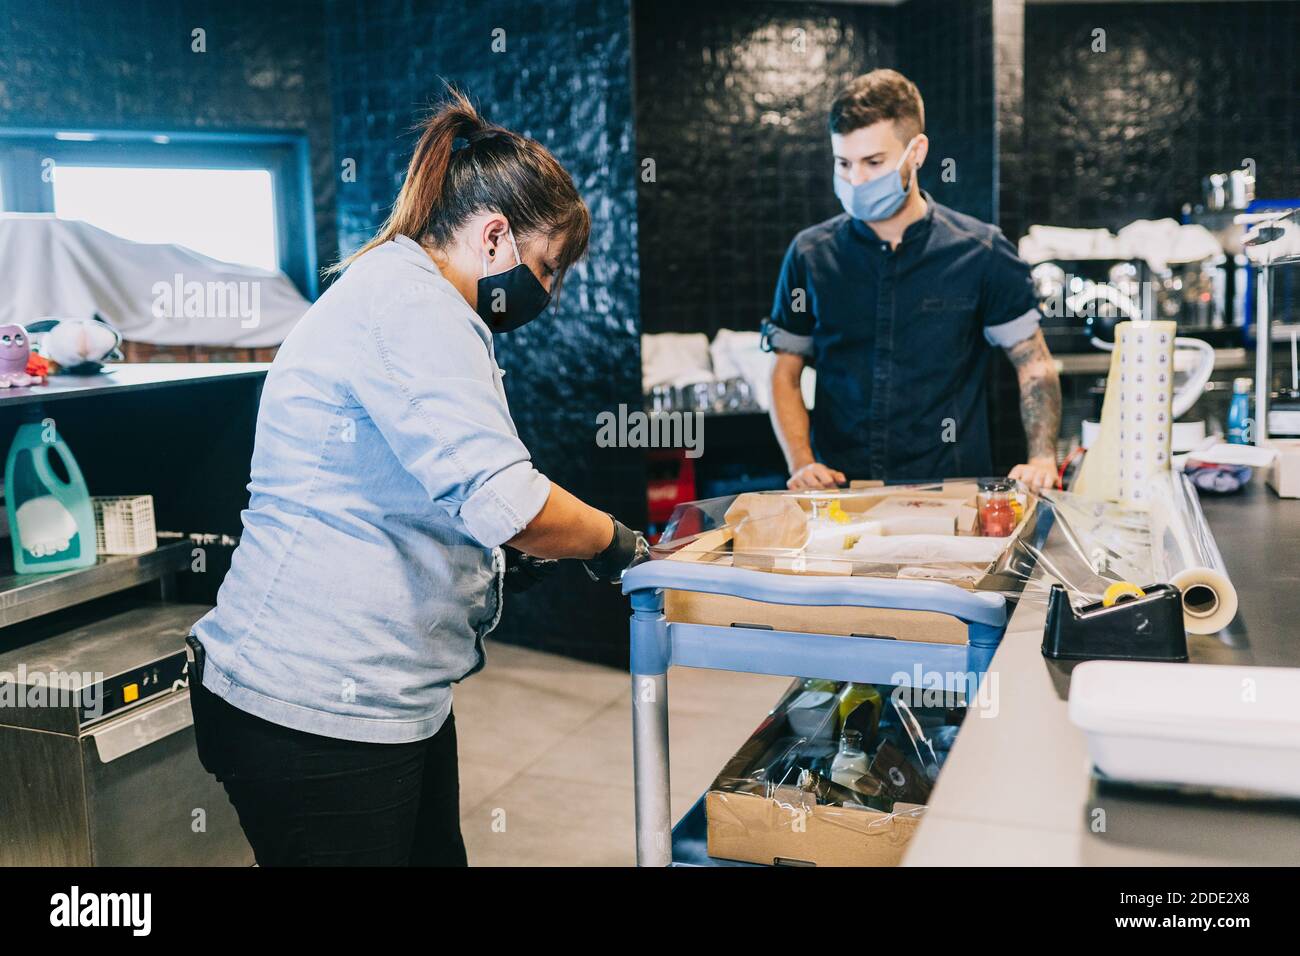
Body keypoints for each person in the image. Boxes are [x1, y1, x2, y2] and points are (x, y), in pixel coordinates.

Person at [187, 87, 644, 866]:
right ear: (495, 237)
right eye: (549, 268)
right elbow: (512, 500)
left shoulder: (412, 293)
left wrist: (496, 563)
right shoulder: (410, 304)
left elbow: (416, 486)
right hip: (314, 710)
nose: (551, 293)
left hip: (390, 697)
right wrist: (620, 544)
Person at [764, 69, 1061, 491]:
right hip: (841, 495)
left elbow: (1034, 364)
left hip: (951, 494)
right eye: (843, 163)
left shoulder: (982, 253)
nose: (855, 181)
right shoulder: (810, 255)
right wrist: (802, 463)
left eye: (874, 162)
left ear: (916, 152)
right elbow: (785, 373)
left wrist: (1042, 458)